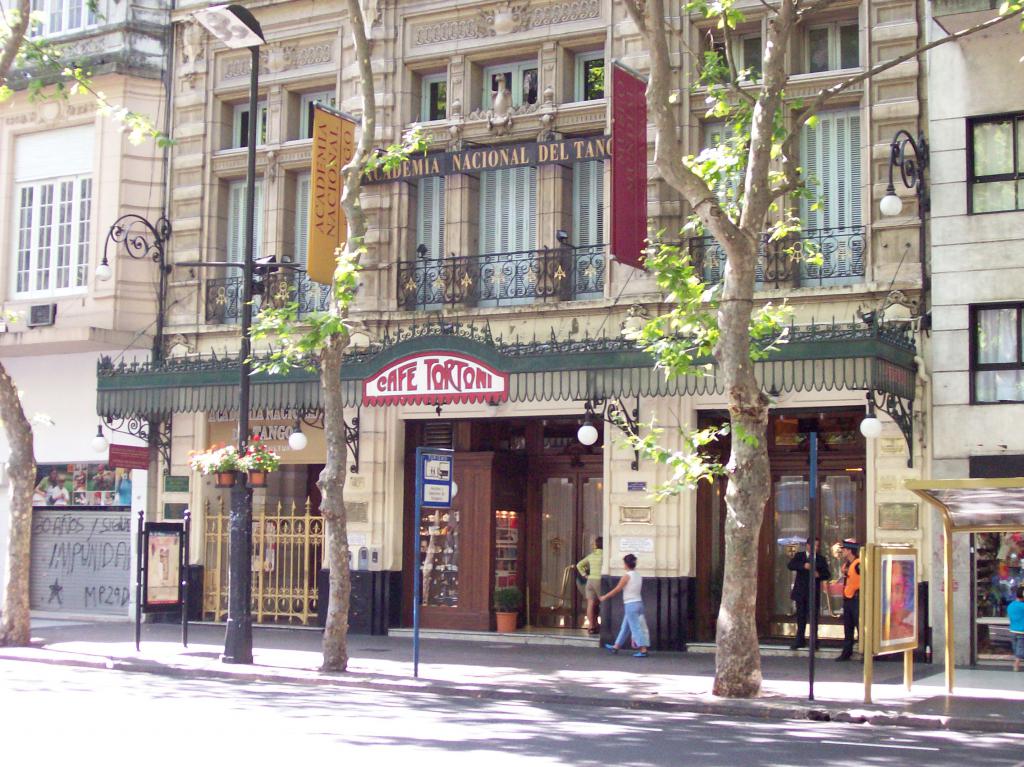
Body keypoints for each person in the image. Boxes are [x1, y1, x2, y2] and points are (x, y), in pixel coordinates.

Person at [599, 553, 649, 658]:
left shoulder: (626, 576)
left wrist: (605, 597)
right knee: (625, 627)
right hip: (639, 603)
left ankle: (643, 649)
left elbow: (617, 589)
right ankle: (616, 646)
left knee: (635, 628)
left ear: (626, 564)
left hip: (630, 604)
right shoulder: (638, 575)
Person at [787, 538, 831, 650]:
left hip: (813, 592)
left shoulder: (821, 559)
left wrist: (819, 574)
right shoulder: (800, 556)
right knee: (801, 617)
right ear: (807, 545)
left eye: (817, 546)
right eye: (813, 546)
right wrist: (803, 566)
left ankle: (814, 641)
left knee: (813, 617)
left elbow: (827, 574)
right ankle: (799, 640)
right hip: (801, 592)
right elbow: (791, 565)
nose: (815, 548)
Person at [836, 539, 862, 661]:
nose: (843, 552)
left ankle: (865, 653)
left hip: (857, 599)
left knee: (860, 626)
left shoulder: (858, 564)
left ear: (850, 550)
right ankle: (847, 652)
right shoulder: (847, 564)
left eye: (844, 550)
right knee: (848, 627)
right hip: (848, 598)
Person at [576, 536, 604, 635]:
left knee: (590, 604)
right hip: (600, 580)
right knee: (603, 602)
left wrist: (585, 575)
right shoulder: (605, 555)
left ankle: (591, 626)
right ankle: (603, 625)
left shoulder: (591, 555)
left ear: (597, 545)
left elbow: (579, 565)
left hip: (590, 581)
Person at [1008, 586, 1024, 672]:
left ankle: (1016, 662)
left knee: (1016, 648)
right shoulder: (1022, 606)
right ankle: (1016, 664)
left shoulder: (1011, 605)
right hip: (1022, 631)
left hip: (1013, 629)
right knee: (1020, 648)